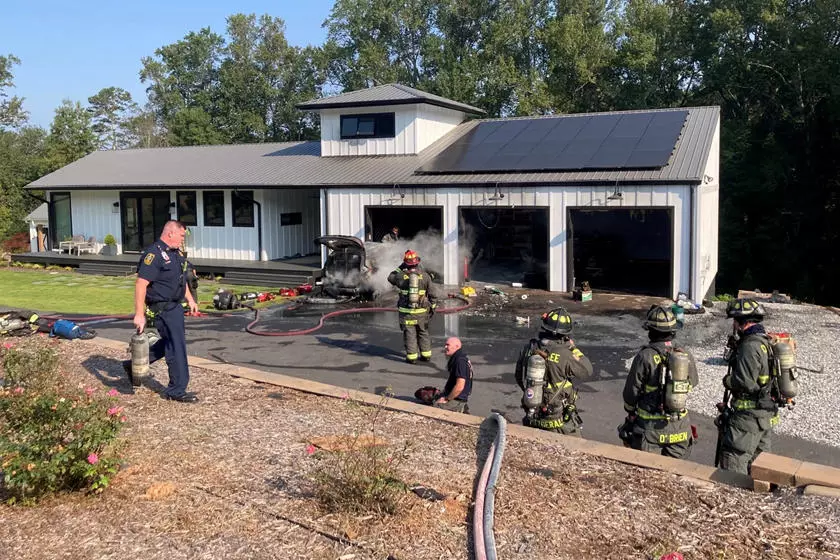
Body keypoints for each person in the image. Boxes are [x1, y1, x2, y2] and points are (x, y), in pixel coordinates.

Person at [123, 221, 200, 403]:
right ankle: (176, 389)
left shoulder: (176, 254)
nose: (183, 240)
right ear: (170, 233)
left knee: (169, 342)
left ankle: (133, 363)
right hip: (163, 307)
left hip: (175, 305)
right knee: (176, 345)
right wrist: (139, 314)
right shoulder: (154, 254)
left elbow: (180, 279)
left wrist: (190, 299)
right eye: (181, 236)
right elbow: (141, 284)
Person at [620, 305, 699, 458]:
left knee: (651, 476)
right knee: (676, 475)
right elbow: (693, 382)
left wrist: (630, 412)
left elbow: (631, 393)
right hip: (680, 429)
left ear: (650, 331)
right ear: (673, 331)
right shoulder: (684, 354)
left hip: (651, 431)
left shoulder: (645, 356)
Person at [718, 298, 778, 474]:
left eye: (735, 322)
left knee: (733, 460)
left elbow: (744, 382)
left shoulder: (749, 346)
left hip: (747, 419)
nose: (734, 326)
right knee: (760, 467)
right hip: (764, 417)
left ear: (742, 323)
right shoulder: (765, 342)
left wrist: (727, 380)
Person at [515, 307, 593, 435]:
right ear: (565, 334)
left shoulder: (529, 348)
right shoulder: (565, 354)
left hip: (532, 416)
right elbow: (587, 370)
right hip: (558, 423)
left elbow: (519, 376)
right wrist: (573, 348)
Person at [387, 250, 437, 363]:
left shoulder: (401, 276)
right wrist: (432, 308)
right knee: (423, 332)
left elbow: (390, 277)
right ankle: (426, 355)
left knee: (410, 334)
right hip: (422, 312)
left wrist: (400, 267)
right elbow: (433, 294)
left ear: (406, 263)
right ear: (417, 263)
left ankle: (412, 357)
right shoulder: (425, 276)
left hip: (407, 313)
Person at [432, 337, 473, 413]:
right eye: (445, 345)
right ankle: (460, 406)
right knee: (431, 396)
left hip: (457, 399)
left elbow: (460, 386)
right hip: (457, 396)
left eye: (448, 345)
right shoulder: (460, 357)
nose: (445, 347)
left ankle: (460, 407)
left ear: (457, 346)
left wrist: (446, 399)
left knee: (434, 408)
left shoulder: (460, 362)